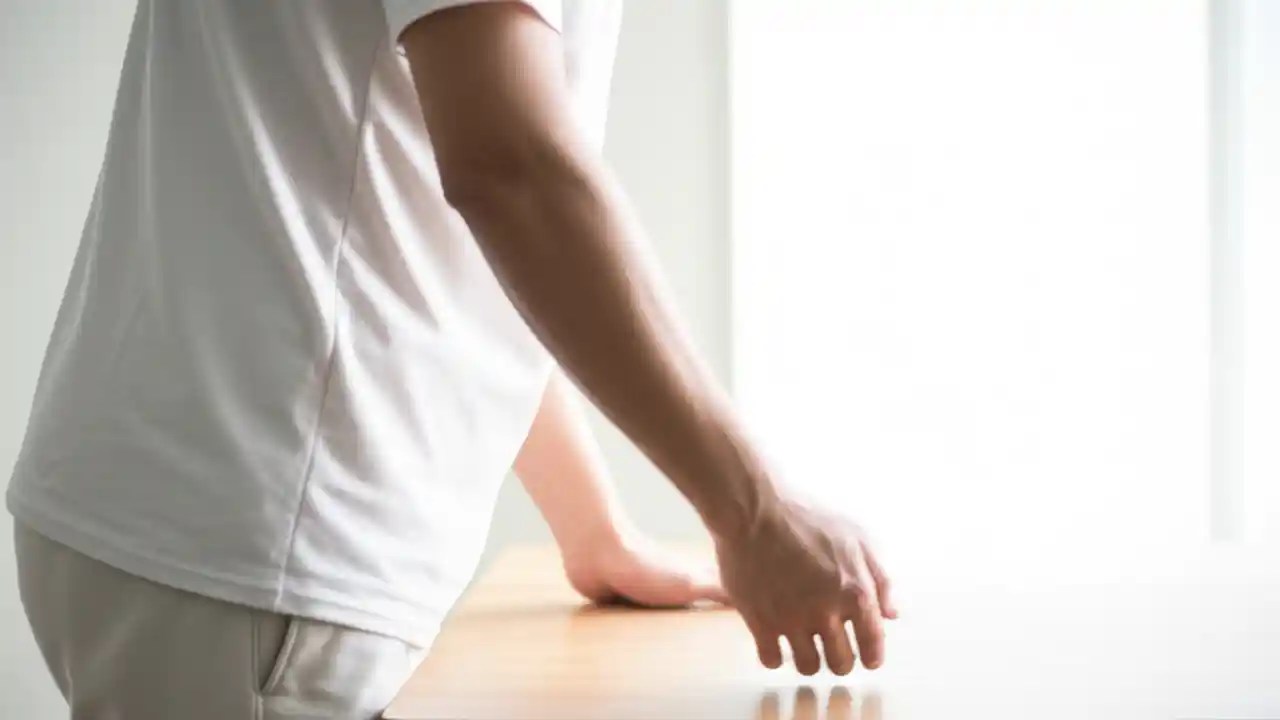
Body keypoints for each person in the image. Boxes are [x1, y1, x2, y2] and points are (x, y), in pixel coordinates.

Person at [7, 1, 897, 718]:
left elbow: (428, 216)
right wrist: (752, 508)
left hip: (180, 528)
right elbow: (511, 170)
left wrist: (593, 529)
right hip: (260, 572)